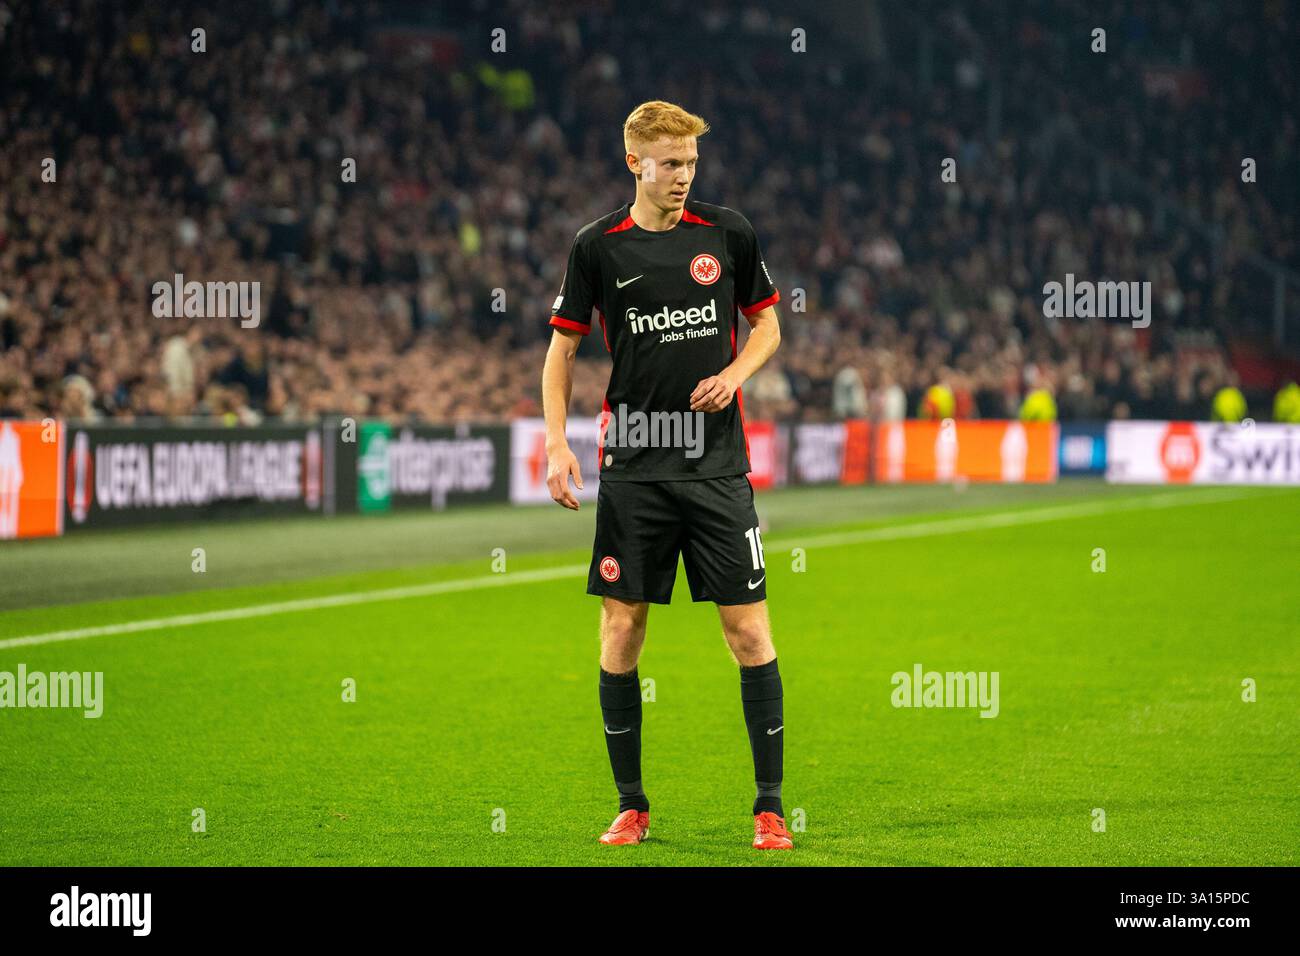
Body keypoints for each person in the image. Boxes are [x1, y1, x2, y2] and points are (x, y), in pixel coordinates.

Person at [540, 100, 792, 850]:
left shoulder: (729, 233)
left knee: (748, 631)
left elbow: (769, 325)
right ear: (635, 163)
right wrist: (557, 445)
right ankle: (631, 804)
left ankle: (770, 808)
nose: (683, 176)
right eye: (670, 163)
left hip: (716, 467)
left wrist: (736, 372)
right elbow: (561, 352)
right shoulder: (597, 248)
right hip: (635, 470)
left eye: (691, 163)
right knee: (622, 629)